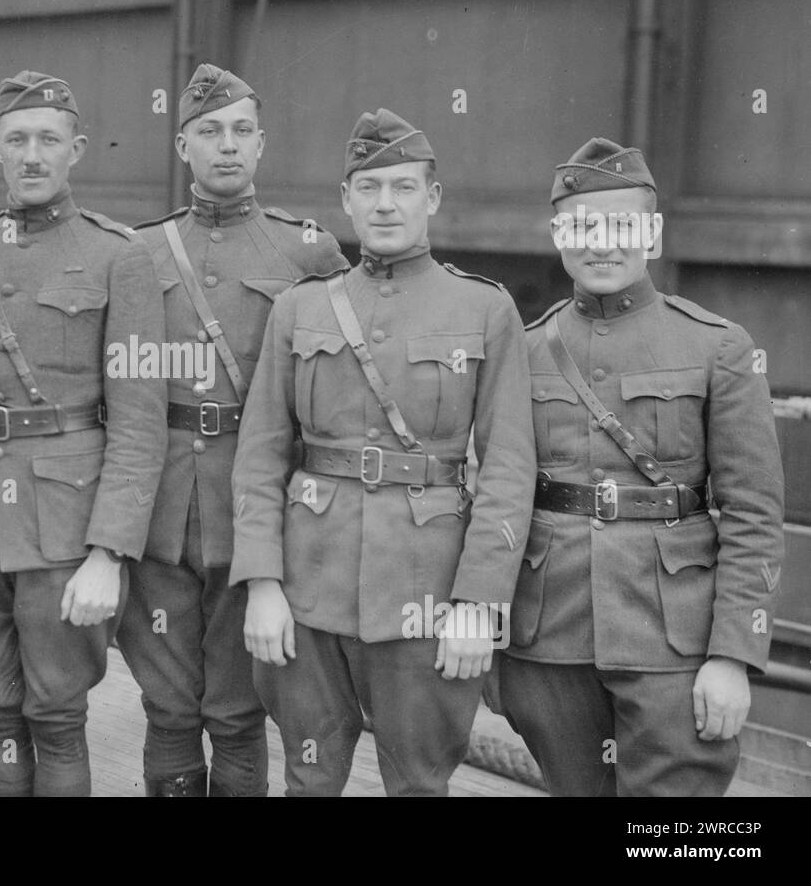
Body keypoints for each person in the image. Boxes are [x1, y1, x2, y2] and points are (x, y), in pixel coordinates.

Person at [230, 108, 535, 796]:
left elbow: (510, 469)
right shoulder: (300, 309)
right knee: (308, 779)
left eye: (403, 187)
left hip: (426, 591)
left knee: (420, 784)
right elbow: (260, 457)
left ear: (431, 197)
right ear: (346, 200)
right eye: (369, 188)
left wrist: (477, 603)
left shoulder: (484, 310)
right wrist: (262, 584)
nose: (386, 204)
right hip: (309, 589)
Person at [497, 137, 785, 796]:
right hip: (549, 640)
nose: (602, 242)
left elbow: (753, 518)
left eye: (622, 224)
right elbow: (497, 497)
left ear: (652, 233)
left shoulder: (718, 348)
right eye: (583, 225)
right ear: (558, 235)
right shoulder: (525, 348)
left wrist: (734, 655)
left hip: (673, 644)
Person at [0, 70, 167, 796]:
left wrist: (109, 553)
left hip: (65, 532)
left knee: (57, 718)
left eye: (48, 140)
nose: (32, 155)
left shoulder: (120, 257)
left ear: (76, 150)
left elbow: (138, 423)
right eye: (18, 140)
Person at [117, 63, 346, 797]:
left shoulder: (308, 252)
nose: (226, 146)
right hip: (160, 512)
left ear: (262, 144)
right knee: (168, 708)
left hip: (258, 509)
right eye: (209, 132)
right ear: (182, 146)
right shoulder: (139, 252)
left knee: (241, 711)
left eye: (241, 131)